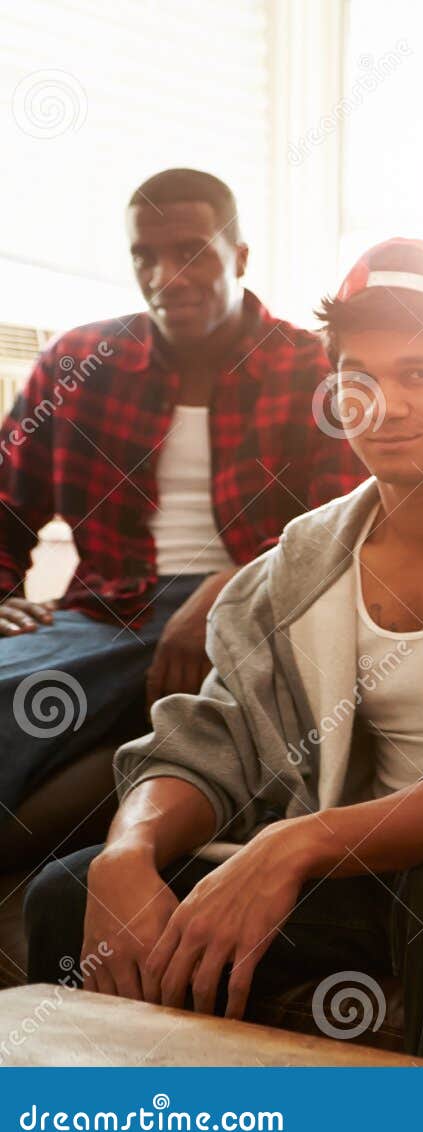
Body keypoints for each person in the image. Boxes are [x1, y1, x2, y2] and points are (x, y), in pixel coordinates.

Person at [25, 239, 423, 1066]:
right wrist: (127, 849)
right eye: (360, 378)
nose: (382, 405)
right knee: (68, 891)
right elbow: (211, 739)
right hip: (354, 882)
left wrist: (299, 842)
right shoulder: (299, 563)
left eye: (419, 374)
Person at [0, 169, 367, 857]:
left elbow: (349, 525)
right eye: (147, 255)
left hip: (262, 622)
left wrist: (228, 591)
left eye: (192, 251)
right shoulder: (79, 362)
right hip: (110, 614)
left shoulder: (314, 367)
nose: (167, 275)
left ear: (241, 257)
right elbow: (5, 503)